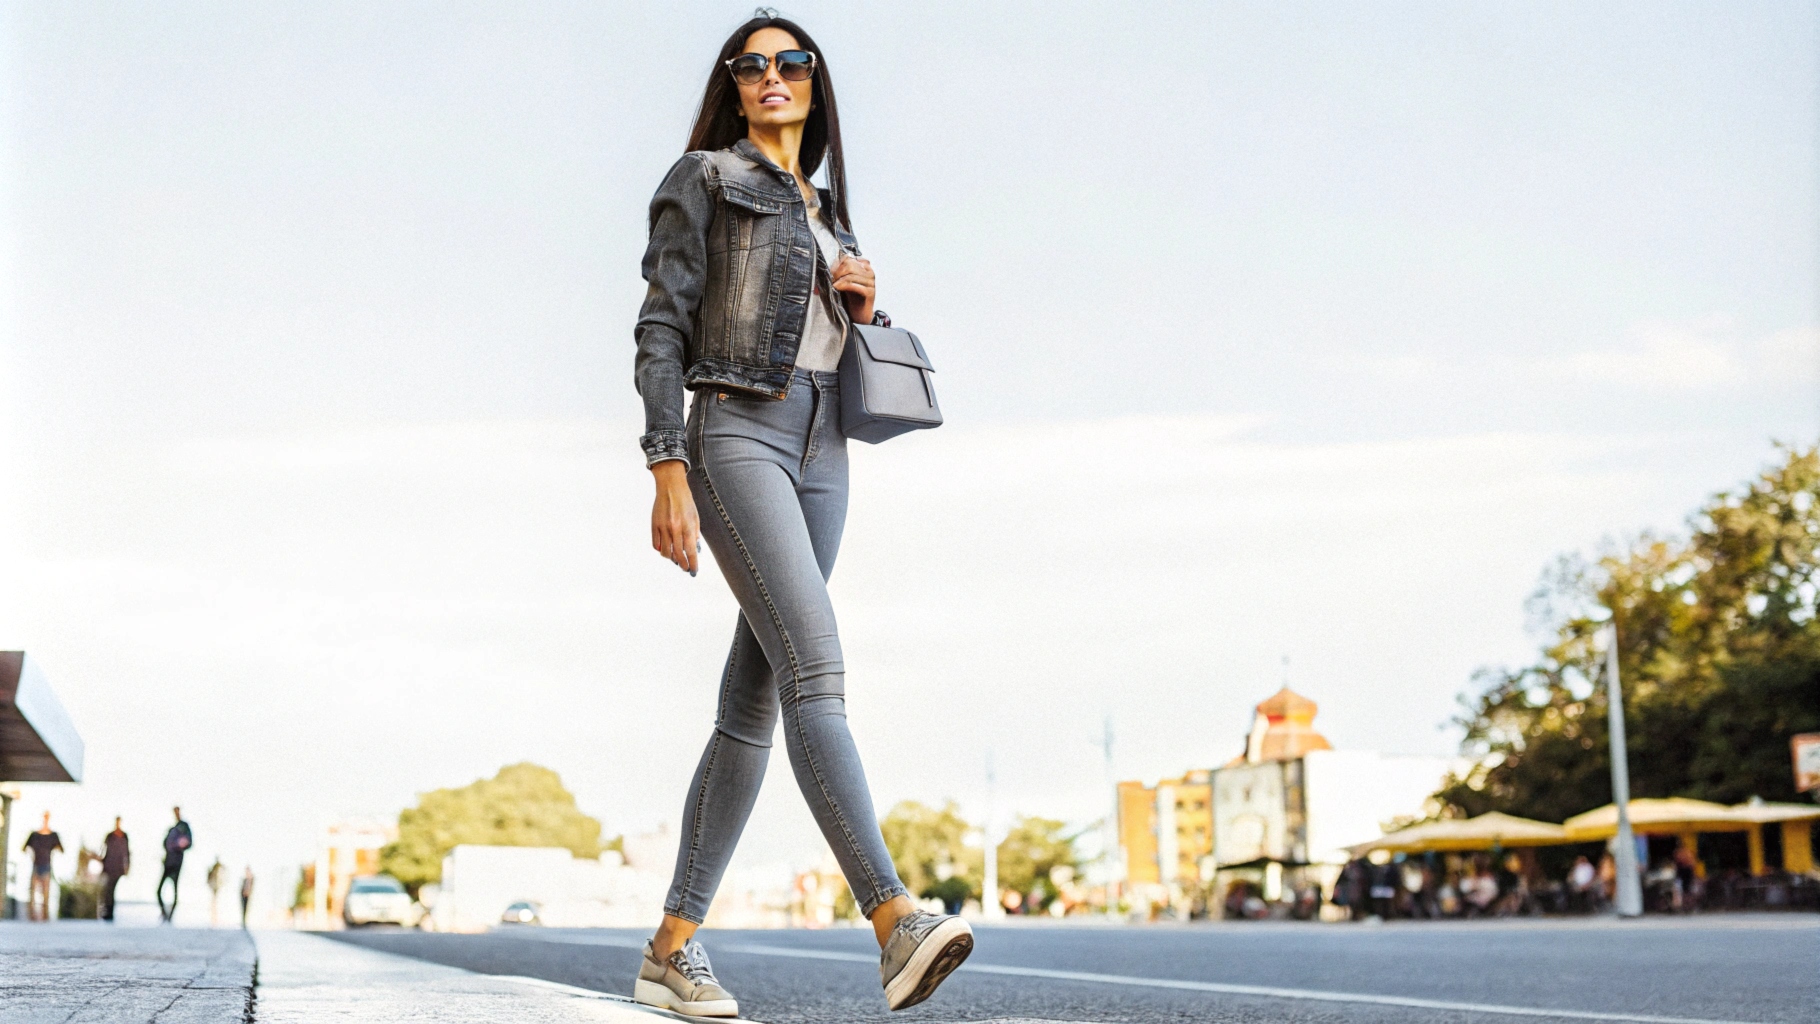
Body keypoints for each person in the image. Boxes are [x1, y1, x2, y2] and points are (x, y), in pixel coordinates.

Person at [631, 13, 971, 1017]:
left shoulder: (831, 213)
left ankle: (668, 950)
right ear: (733, 87)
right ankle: (893, 915)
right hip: (736, 432)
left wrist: (858, 304)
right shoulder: (702, 178)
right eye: (751, 66)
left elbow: (826, 339)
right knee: (814, 665)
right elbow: (660, 322)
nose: (770, 76)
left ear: (813, 85)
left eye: (790, 63)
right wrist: (665, 463)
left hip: (826, 450)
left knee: (751, 702)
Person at [23, 811, 63, 922]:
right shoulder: (34, 835)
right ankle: (32, 916)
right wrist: (31, 853)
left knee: (45, 893)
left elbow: (60, 848)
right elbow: (25, 848)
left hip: (46, 865)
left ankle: (45, 916)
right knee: (33, 893)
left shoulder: (53, 836)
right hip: (36, 865)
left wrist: (54, 850)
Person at [158, 807, 192, 923]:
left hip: (176, 863)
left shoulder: (184, 827)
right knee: (158, 890)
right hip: (168, 862)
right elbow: (164, 843)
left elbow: (189, 843)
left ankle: (170, 916)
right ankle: (164, 912)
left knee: (174, 890)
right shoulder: (172, 829)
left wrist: (178, 844)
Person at [101, 817, 131, 922]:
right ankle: (108, 912)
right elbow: (103, 849)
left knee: (111, 889)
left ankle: (110, 912)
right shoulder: (110, 836)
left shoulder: (124, 836)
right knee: (108, 890)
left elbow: (127, 853)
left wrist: (127, 867)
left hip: (118, 868)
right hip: (109, 866)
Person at [207, 858, 225, 926]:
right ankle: (214, 919)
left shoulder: (218, 868)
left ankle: (215, 919)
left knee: (215, 902)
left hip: (216, 886)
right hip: (214, 886)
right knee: (214, 902)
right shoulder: (214, 868)